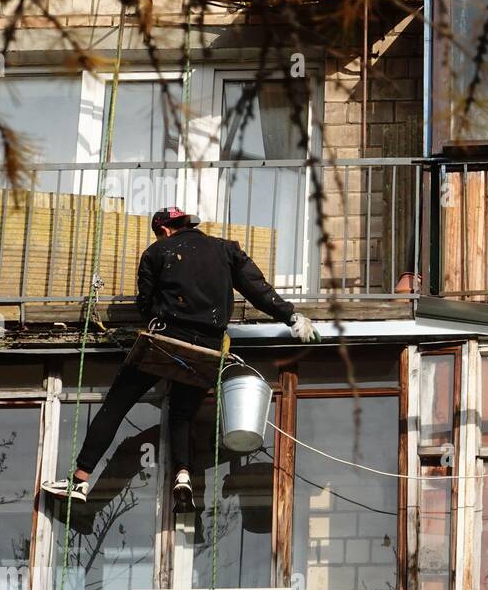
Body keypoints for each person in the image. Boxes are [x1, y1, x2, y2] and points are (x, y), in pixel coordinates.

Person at [42, 207, 318, 507]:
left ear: (164, 230)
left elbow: (146, 306)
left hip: (167, 342)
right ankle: (183, 475)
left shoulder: (157, 252)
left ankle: (80, 480)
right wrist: (291, 317)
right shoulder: (227, 250)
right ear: (188, 225)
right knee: (183, 414)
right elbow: (257, 289)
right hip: (207, 350)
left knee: (116, 406)